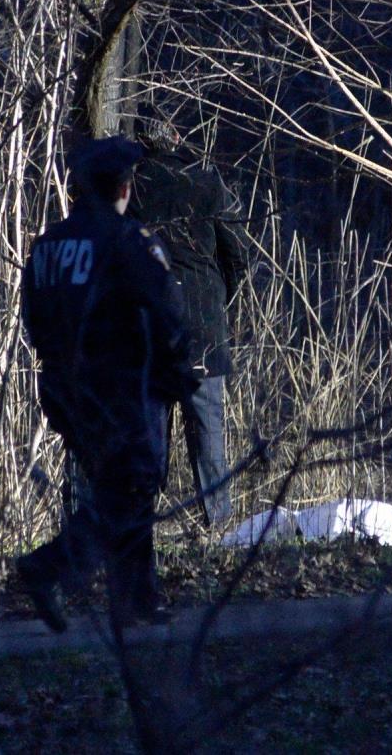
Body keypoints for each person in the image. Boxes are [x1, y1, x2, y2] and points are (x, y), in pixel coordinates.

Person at [17, 136, 196, 633]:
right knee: (131, 487)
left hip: (65, 388)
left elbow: (33, 316)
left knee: (118, 485)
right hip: (125, 385)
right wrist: (178, 370)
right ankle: (48, 567)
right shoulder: (127, 241)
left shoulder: (49, 245)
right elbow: (167, 314)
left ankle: (136, 597)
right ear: (123, 185)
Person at [127, 114, 247, 529]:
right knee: (207, 428)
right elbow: (237, 257)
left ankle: (143, 520)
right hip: (203, 327)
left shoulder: (131, 189)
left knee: (149, 428)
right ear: (176, 140)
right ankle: (219, 521)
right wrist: (217, 300)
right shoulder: (207, 183)